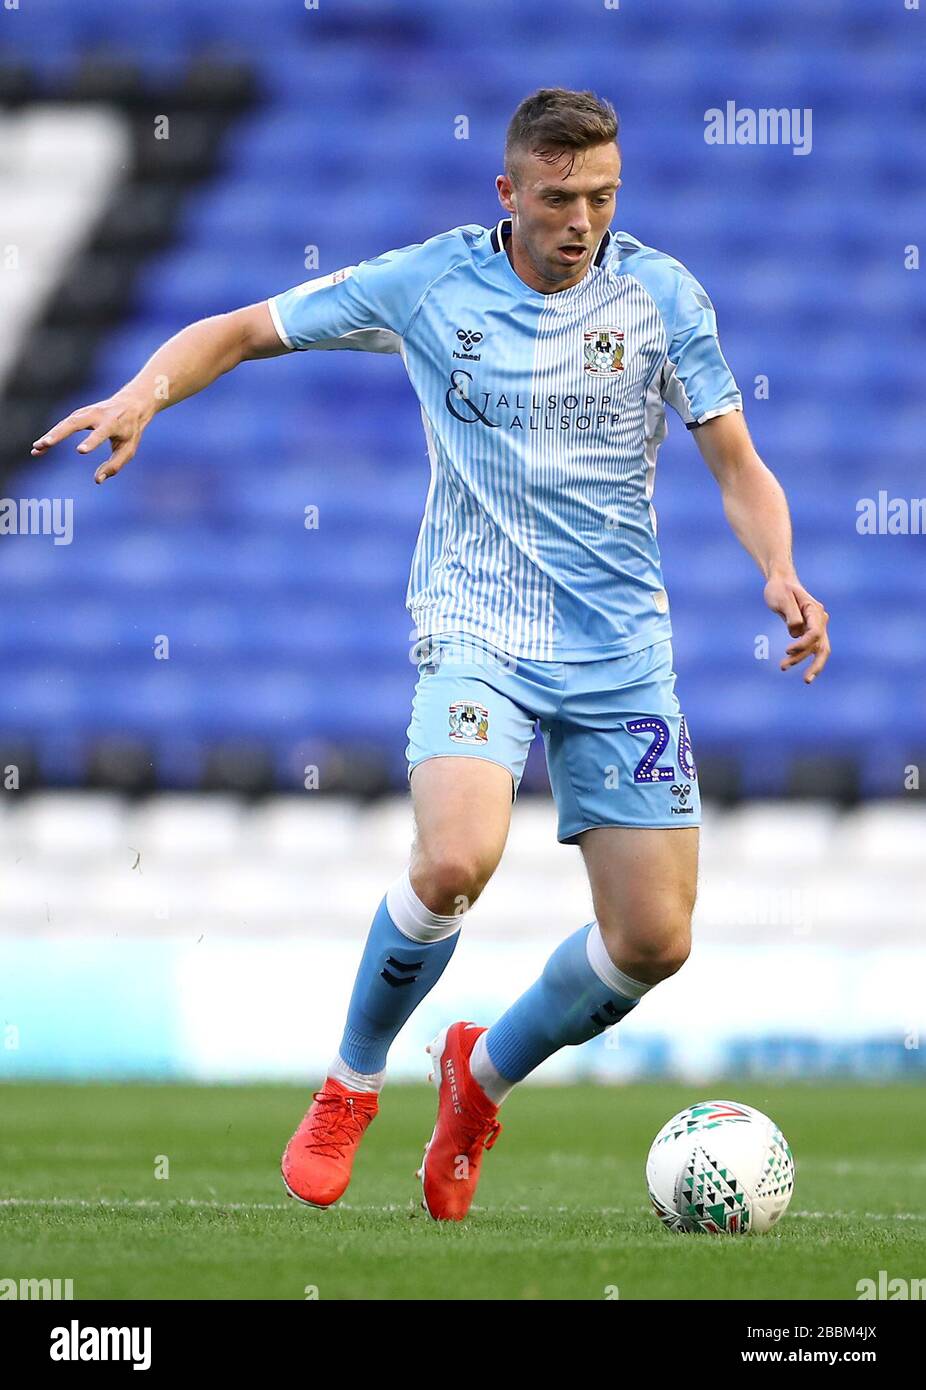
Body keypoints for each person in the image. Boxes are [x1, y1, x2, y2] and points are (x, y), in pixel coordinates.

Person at [32, 87, 831, 1222]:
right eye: (559, 198)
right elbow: (242, 328)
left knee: (651, 941)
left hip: (618, 650)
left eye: (602, 196)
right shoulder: (429, 283)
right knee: (455, 858)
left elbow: (737, 463)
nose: (582, 220)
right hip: (477, 629)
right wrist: (144, 390)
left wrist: (778, 569)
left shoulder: (660, 297)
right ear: (507, 192)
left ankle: (476, 1080)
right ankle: (350, 1085)